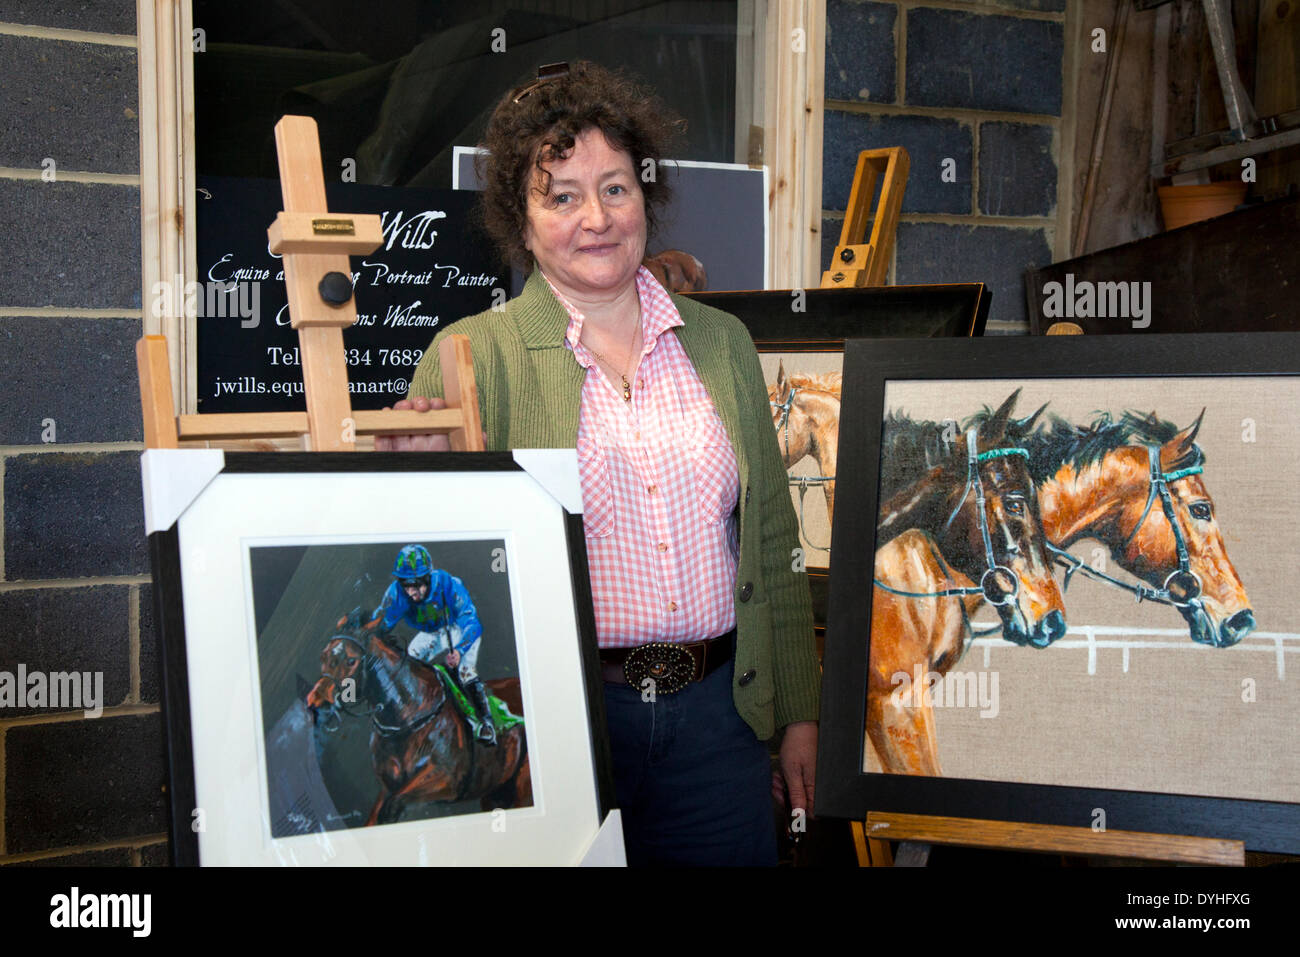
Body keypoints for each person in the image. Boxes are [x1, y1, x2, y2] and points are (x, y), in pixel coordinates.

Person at [378, 61, 819, 865]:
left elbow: (773, 545)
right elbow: (434, 581)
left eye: (615, 188)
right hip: (565, 722)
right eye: (563, 194)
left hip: (719, 723)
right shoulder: (470, 356)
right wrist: (422, 492)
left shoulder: (723, 345)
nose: (597, 217)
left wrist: (799, 712)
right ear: (522, 215)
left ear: (645, 194)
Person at [368, 544, 496, 746]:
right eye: (406, 585)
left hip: (457, 629)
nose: (411, 592)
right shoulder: (396, 594)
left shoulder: (449, 585)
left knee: (464, 671)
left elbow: (471, 623)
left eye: (417, 584)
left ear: (428, 578)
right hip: (431, 633)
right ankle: (424, 716)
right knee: (409, 663)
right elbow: (380, 624)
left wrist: (460, 650)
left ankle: (486, 723)